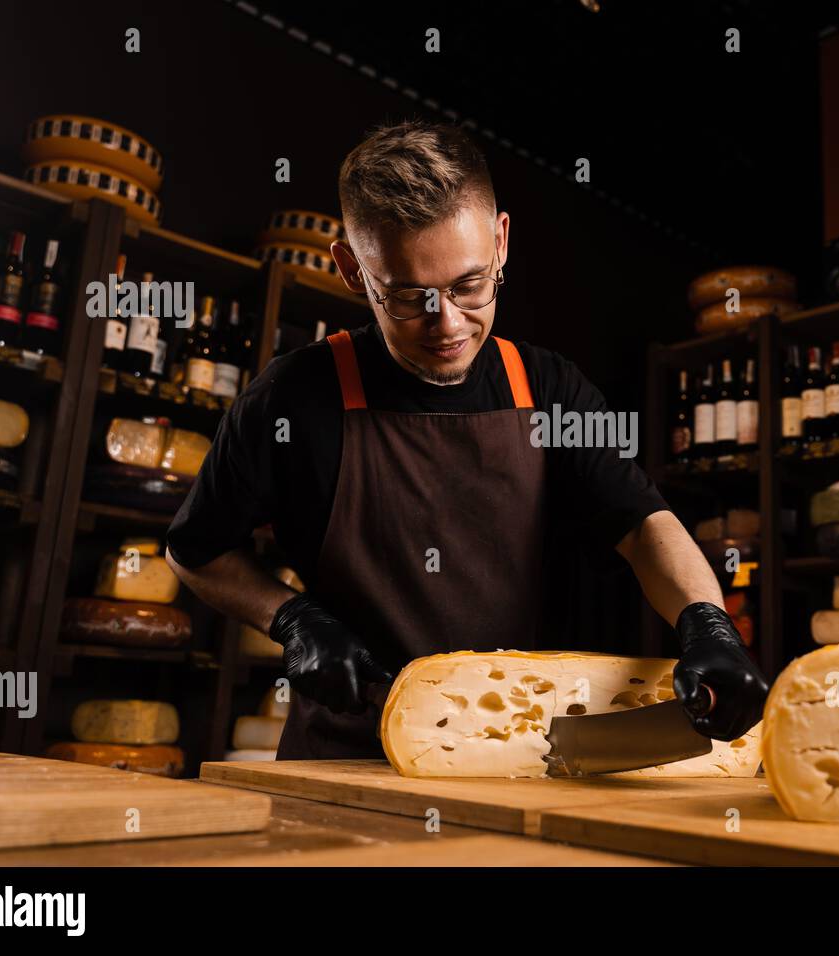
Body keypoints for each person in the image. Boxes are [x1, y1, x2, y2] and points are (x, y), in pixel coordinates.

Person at [165, 120, 767, 759]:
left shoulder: (550, 389)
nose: (446, 323)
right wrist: (292, 620)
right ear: (350, 269)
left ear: (501, 242)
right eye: (408, 296)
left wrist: (707, 622)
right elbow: (194, 550)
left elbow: (643, 525)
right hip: (347, 756)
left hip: (517, 751)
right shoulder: (293, 397)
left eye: (469, 286)